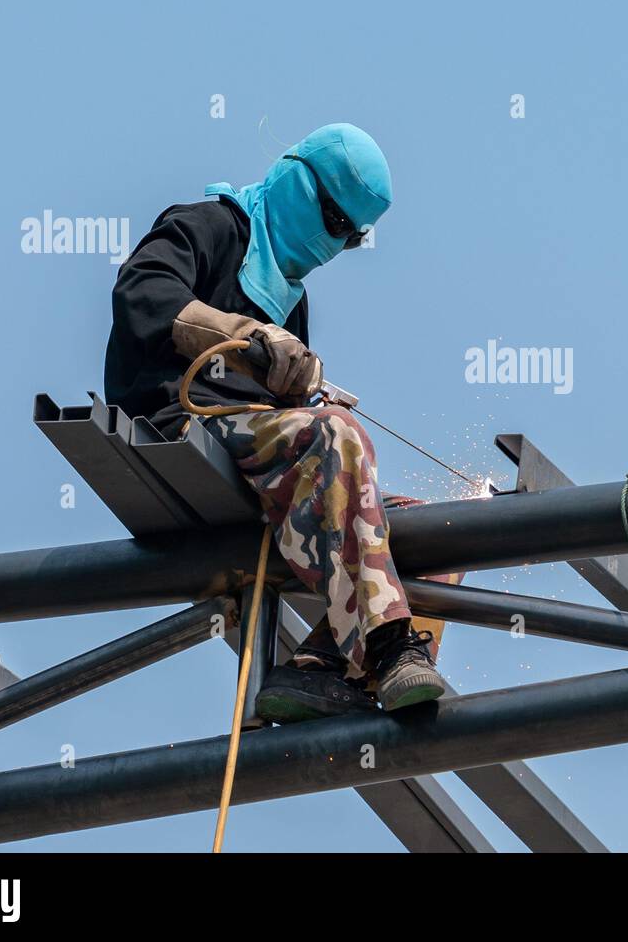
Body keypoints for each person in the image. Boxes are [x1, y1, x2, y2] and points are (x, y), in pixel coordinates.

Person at [104, 122, 446, 723]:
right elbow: (142, 294)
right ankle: (389, 646)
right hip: (185, 429)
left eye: (350, 236)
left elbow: (291, 427)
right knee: (337, 433)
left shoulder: (292, 301)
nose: (332, 244)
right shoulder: (210, 227)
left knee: (436, 526)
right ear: (297, 180)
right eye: (333, 222)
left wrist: (302, 391)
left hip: (255, 457)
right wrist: (246, 336)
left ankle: (318, 667)